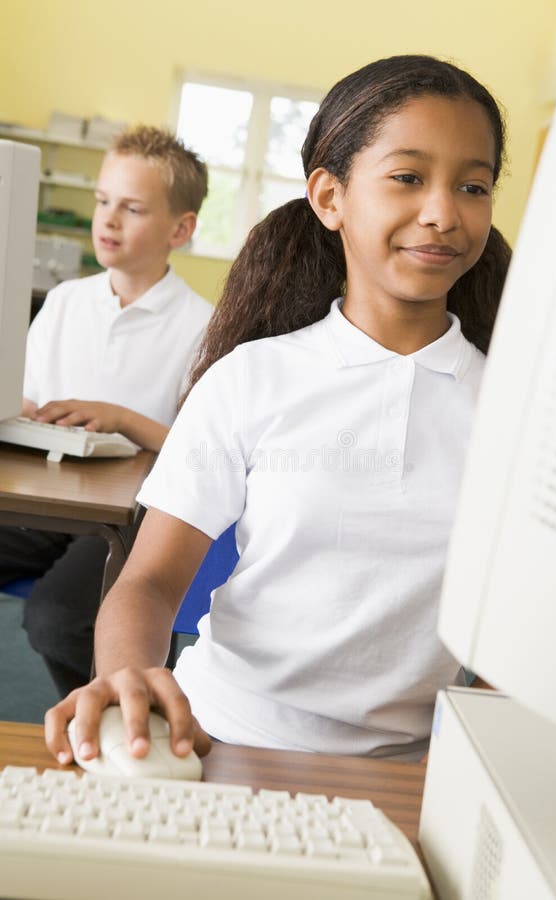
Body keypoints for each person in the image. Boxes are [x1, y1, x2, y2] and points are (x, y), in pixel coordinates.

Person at [46, 55, 512, 767]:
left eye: (473, 185)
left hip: (415, 769)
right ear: (330, 197)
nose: (443, 212)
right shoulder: (252, 380)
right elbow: (148, 581)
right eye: (409, 177)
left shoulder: (512, 411)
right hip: (220, 736)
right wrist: (128, 675)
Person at [0, 125, 213, 698]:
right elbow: (27, 396)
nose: (108, 220)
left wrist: (119, 416)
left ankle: (108, 713)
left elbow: (203, 453)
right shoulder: (67, 301)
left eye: (132, 208)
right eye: (102, 202)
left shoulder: (203, 325)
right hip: (47, 493)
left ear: (181, 229)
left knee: (56, 619)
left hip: (128, 517)